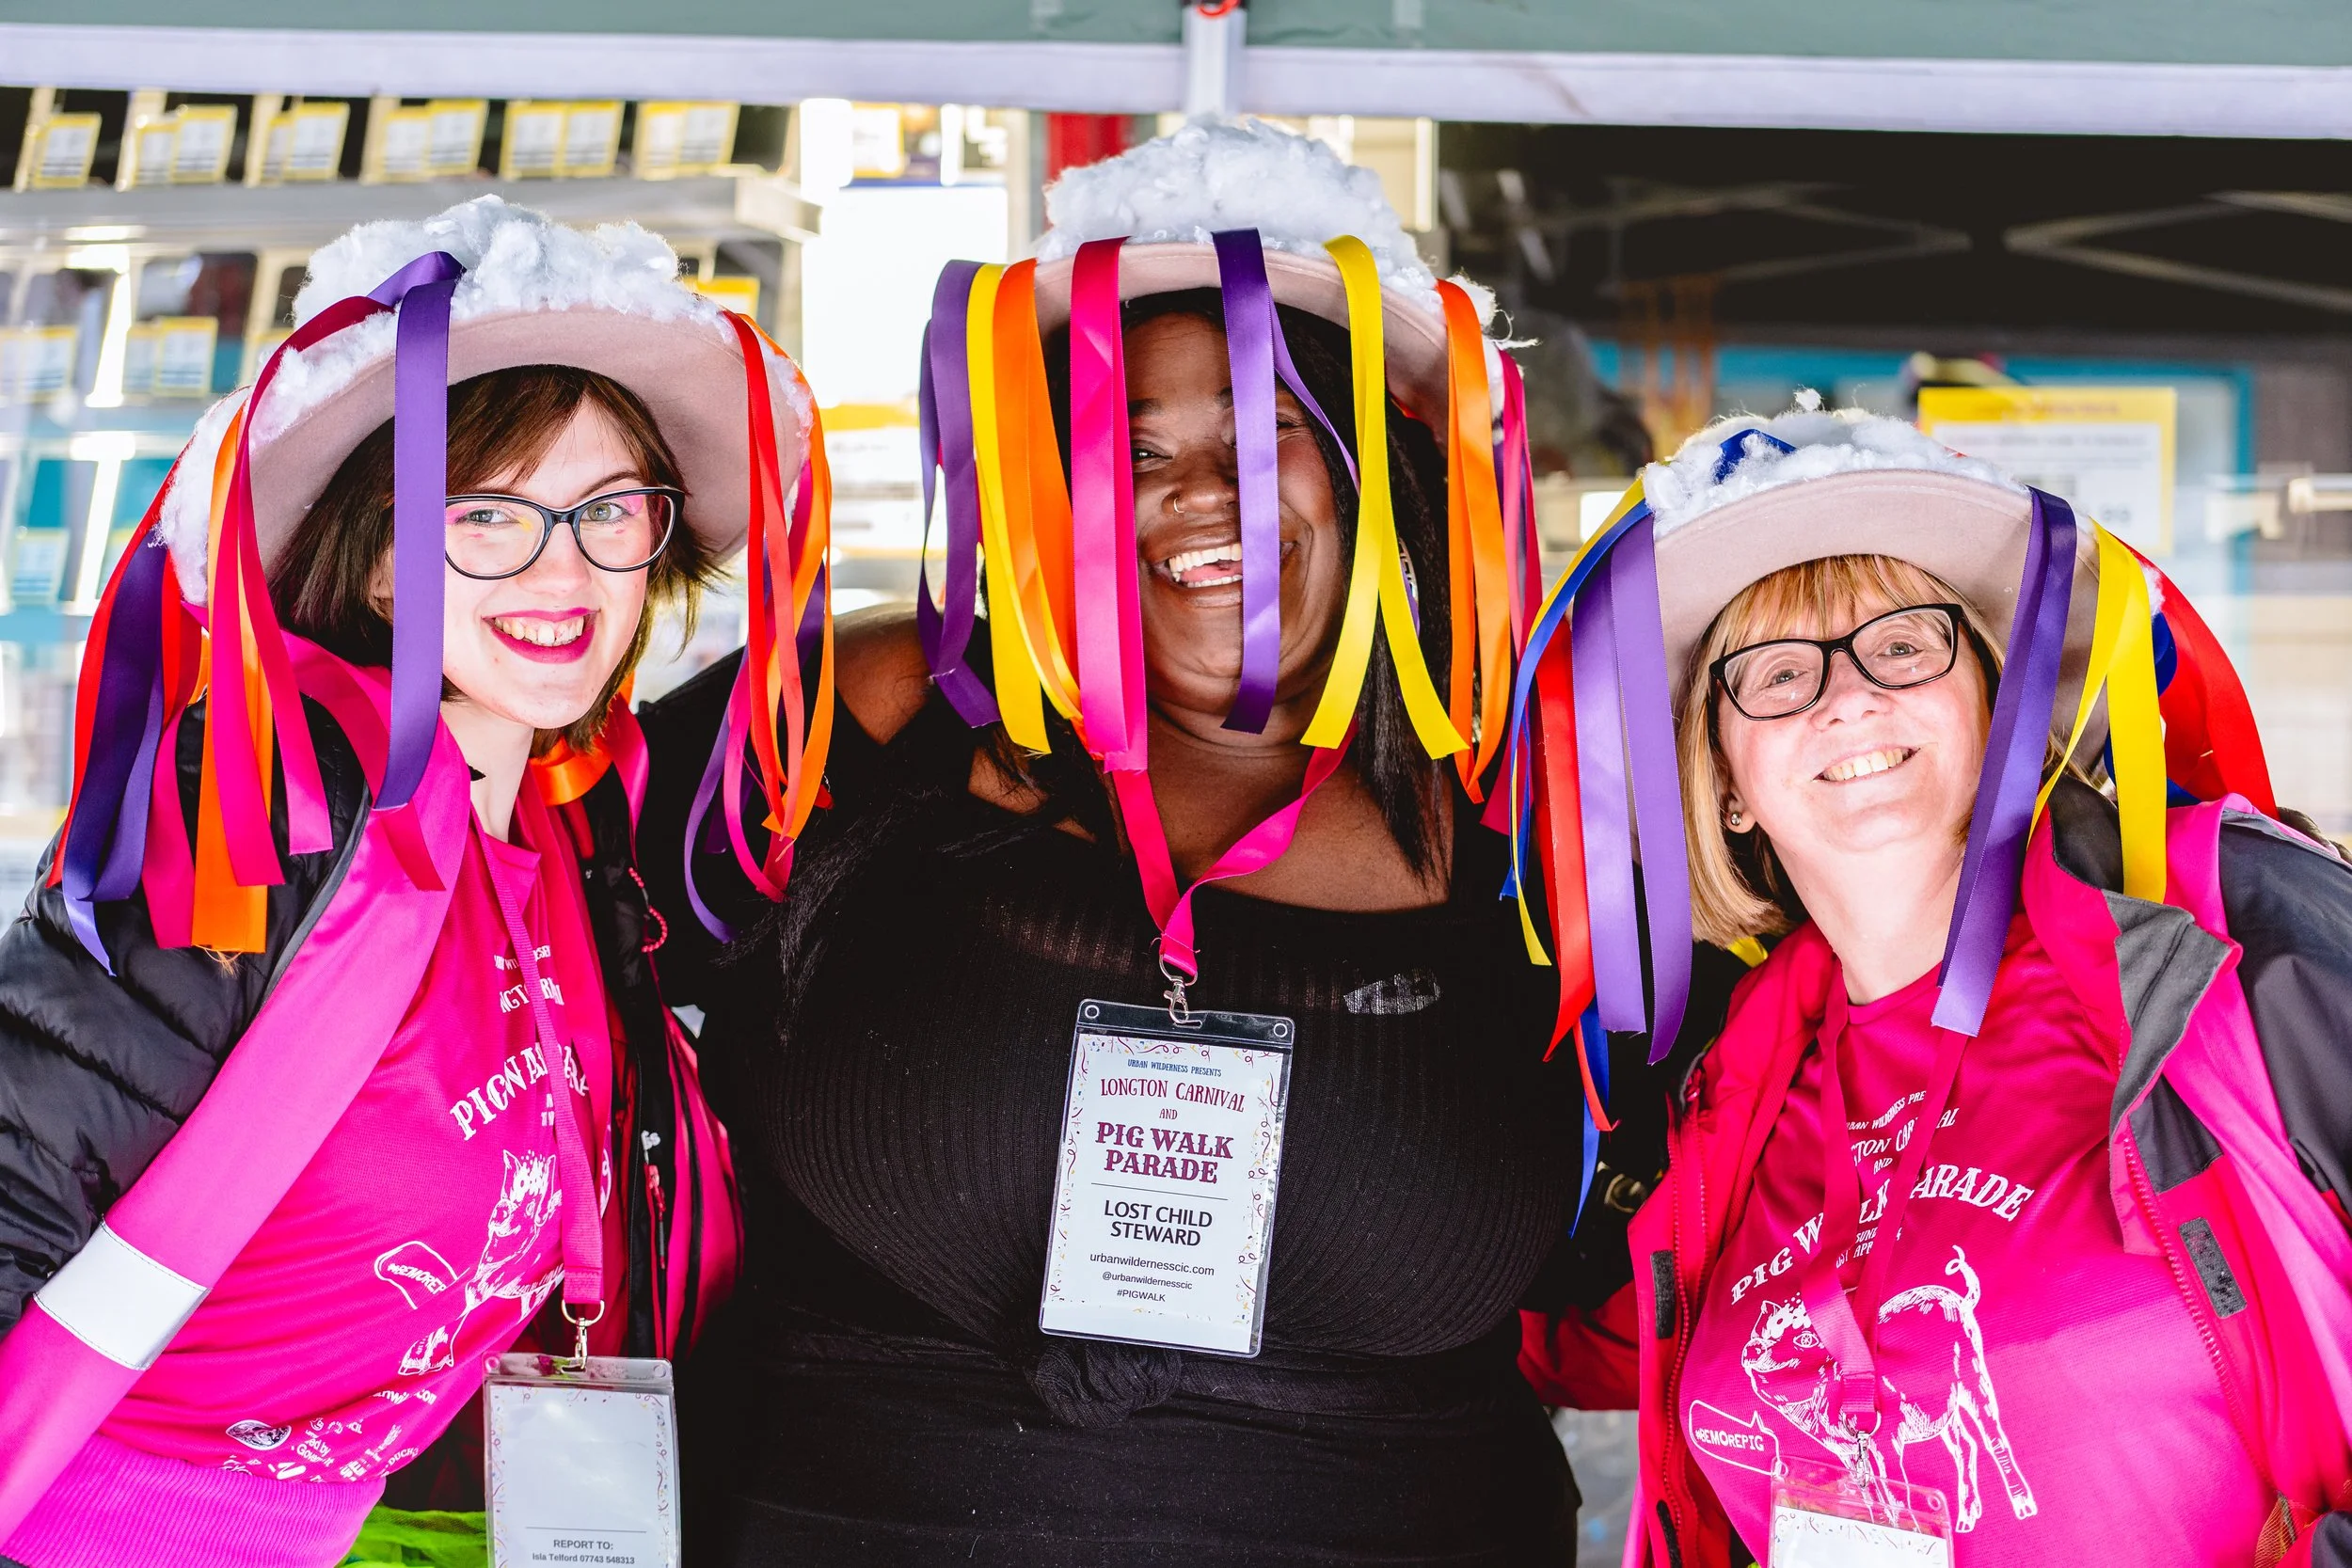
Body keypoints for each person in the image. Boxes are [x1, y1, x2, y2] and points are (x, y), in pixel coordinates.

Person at [637, 119, 1667, 1565]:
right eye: (1133, 451)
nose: (1199, 492)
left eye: (1264, 437)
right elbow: (509, 906)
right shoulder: (870, 718)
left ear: (1369, 471)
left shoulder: (1539, 827)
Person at [0, 196, 820, 1566]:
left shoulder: (563, 840)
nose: (565, 566)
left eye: (611, 507)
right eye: (490, 514)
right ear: (382, 556)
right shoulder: (271, 805)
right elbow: (23, 1169)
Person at [1515, 406, 2352, 1565]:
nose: (1846, 697)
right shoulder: (1725, 1083)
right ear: (1725, 780)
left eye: (1901, 645)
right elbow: (1574, 1340)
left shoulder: (2230, 940)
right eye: (1774, 671)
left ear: (1992, 701)